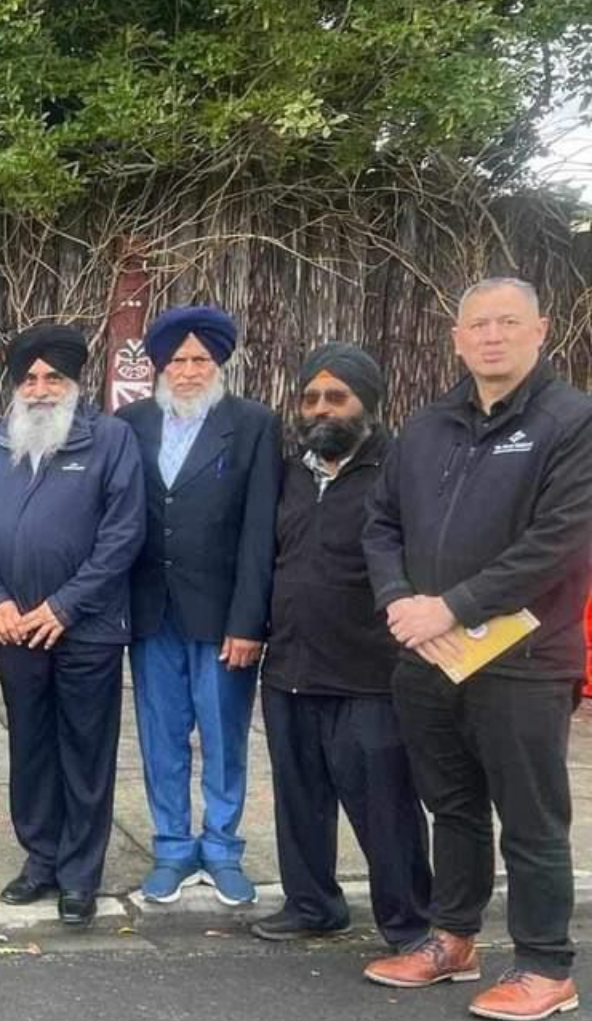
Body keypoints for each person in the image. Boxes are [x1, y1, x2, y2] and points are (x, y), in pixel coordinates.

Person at [362, 278, 592, 1021]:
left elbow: (557, 542)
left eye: (508, 322)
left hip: (523, 660)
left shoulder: (573, 422)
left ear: (540, 330)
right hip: (429, 656)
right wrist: (399, 600)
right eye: (478, 325)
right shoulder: (426, 426)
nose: (492, 336)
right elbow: (381, 523)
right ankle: (453, 939)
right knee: (452, 806)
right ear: (457, 339)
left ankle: (546, 967)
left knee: (531, 819)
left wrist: (450, 607)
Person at [250, 342, 432, 954]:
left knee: (385, 806)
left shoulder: (400, 473)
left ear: (368, 404)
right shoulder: (290, 474)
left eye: (336, 397)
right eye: (310, 398)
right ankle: (312, 906)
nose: (321, 409)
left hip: (370, 672)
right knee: (299, 800)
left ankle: (410, 924)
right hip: (289, 667)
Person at [0, 325, 144, 928]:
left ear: (75, 383)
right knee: (30, 746)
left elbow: (122, 535)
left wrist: (64, 606)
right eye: (30, 379)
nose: (41, 390)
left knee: (85, 752)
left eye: (53, 378)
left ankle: (79, 875)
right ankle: (40, 858)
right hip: (15, 627)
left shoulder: (111, 441)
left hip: (86, 627)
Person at [115, 305, 280, 907]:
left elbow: (260, 531)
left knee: (222, 735)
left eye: (200, 360)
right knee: (160, 736)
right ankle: (172, 847)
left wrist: (249, 620)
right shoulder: (131, 423)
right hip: (151, 611)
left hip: (221, 617)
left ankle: (222, 848)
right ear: (160, 367)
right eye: (177, 361)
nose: (188, 372)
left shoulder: (253, 424)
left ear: (219, 365)